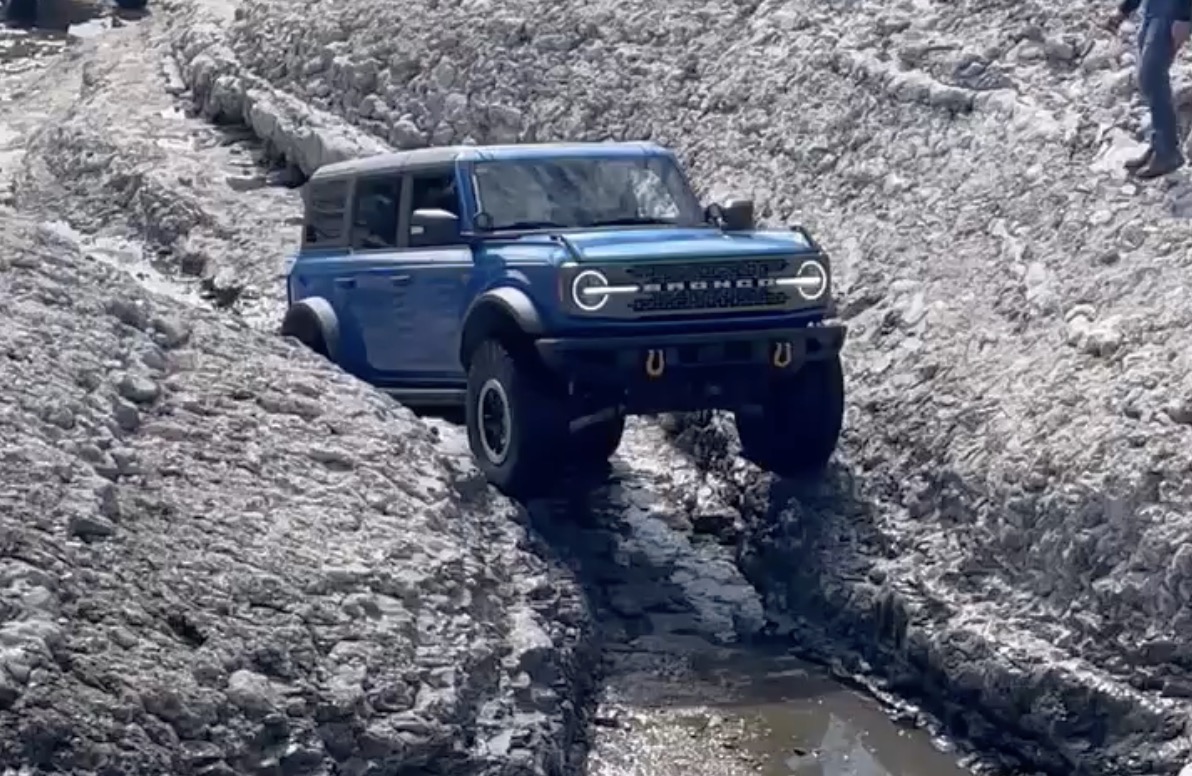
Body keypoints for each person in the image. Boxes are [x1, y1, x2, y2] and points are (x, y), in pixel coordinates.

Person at [1106, 0, 1192, 178]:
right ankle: (1160, 146)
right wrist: (1125, 9)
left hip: (1172, 11)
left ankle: (1167, 152)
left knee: (1152, 76)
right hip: (1152, 9)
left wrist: (1185, 18)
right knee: (1147, 78)